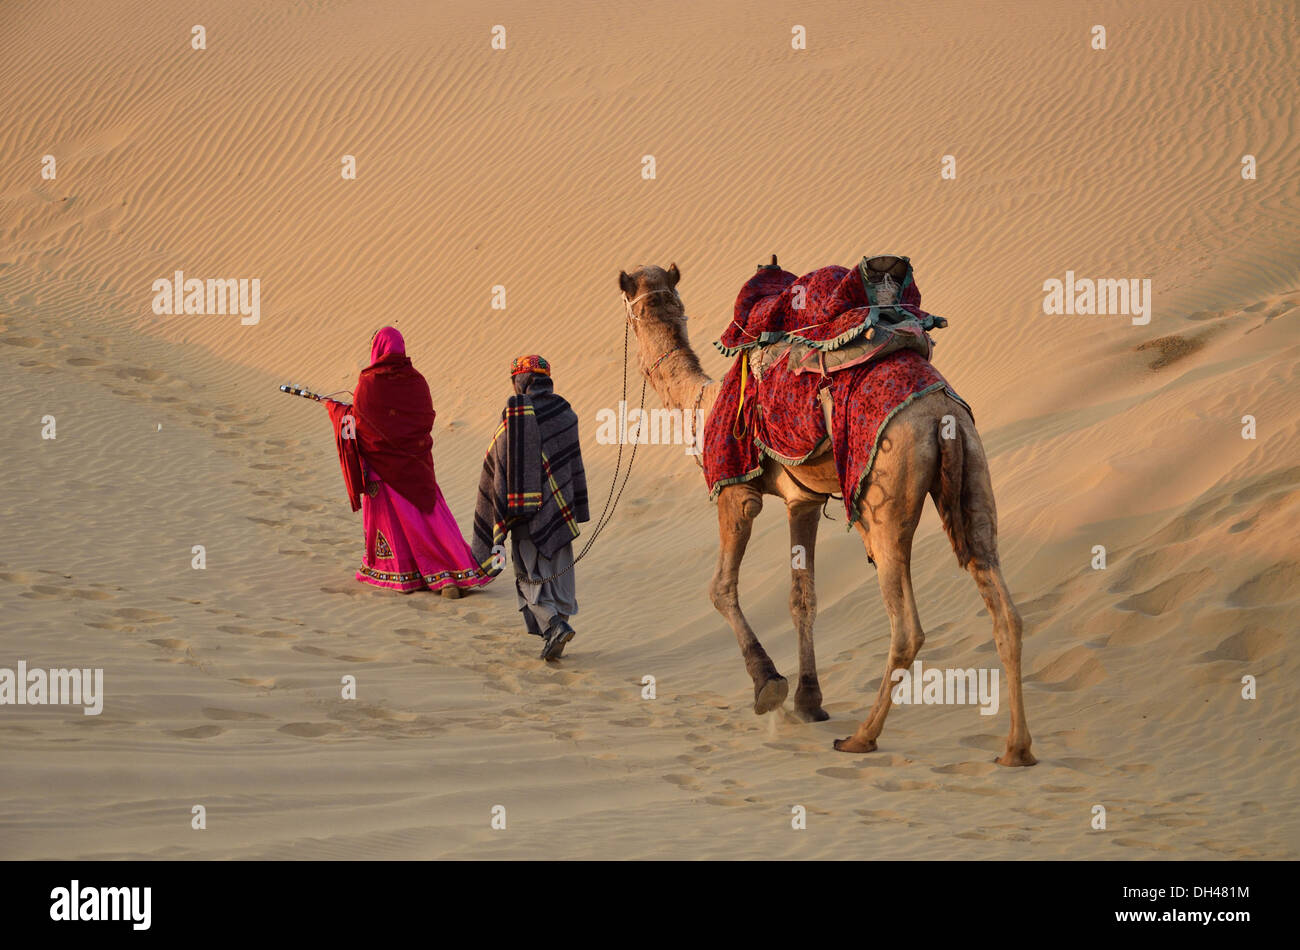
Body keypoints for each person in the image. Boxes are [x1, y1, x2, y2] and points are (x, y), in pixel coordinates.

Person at [323, 326, 493, 597]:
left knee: (395, 521)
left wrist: (337, 410)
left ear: (377, 349)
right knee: (430, 520)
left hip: (383, 470)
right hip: (417, 466)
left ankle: (402, 575)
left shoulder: (368, 383)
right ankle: (449, 575)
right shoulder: (417, 381)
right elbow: (425, 418)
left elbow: (358, 425)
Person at [473, 355, 589, 659]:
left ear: (521, 381)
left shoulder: (515, 414)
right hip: (561, 515)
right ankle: (558, 630)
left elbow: (497, 465)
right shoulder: (565, 412)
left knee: (528, 577)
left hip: (526, 515)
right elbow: (572, 464)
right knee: (558, 574)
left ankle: (553, 627)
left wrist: (501, 509)